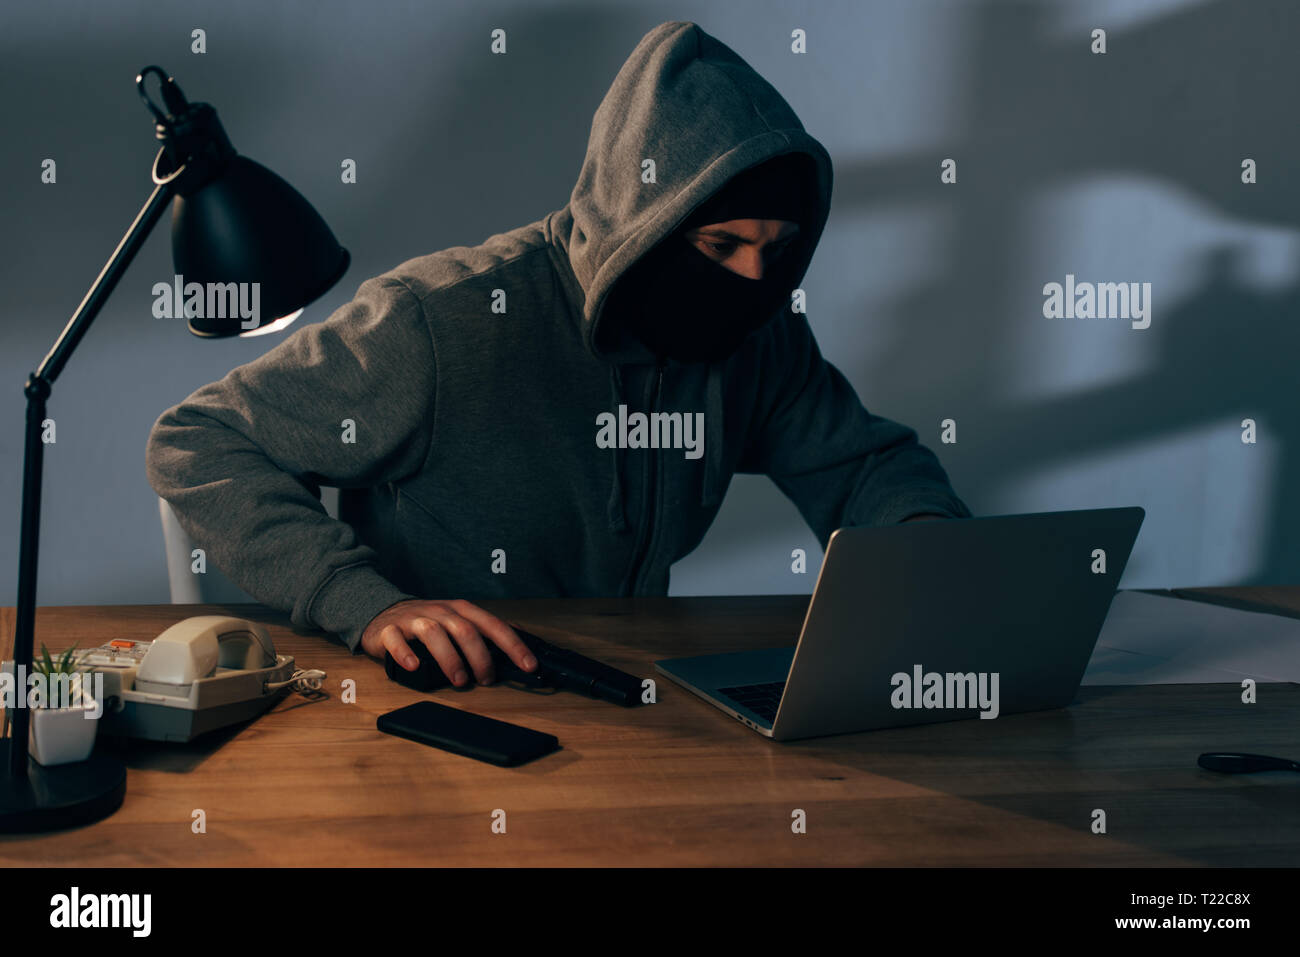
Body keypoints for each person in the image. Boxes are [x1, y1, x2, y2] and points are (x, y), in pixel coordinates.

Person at [145, 21, 971, 689]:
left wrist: (923, 548)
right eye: (722, 243)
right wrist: (361, 602)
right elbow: (197, 441)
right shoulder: (443, 322)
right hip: (436, 708)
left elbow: (864, 467)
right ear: (643, 223)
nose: (756, 279)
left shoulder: (755, 334)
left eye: (777, 248)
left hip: (628, 697)